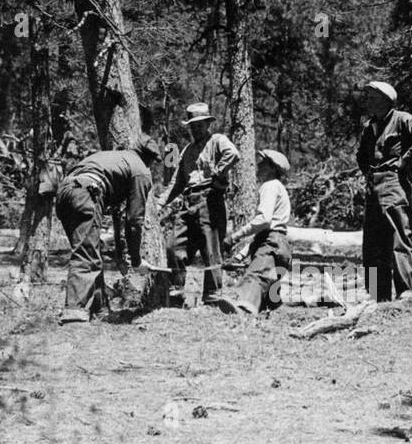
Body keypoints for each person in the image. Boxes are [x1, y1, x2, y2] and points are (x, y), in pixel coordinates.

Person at [54, 136, 163, 324]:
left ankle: (99, 308)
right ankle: (75, 314)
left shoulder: (115, 157)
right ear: (150, 159)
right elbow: (134, 221)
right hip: (85, 193)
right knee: (86, 253)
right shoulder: (140, 170)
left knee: (90, 250)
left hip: (65, 192)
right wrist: (136, 261)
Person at [356, 81, 412, 302]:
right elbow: (361, 156)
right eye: (368, 96)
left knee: (397, 236)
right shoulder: (369, 126)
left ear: (385, 100)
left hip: (393, 183)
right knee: (372, 241)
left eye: (373, 97)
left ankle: (404, 291)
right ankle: (375, 295)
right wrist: (370, 174)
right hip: (373, 184)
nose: (369, 101)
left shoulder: (401, 119)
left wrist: (404, 161)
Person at [164, 102, 240, 306]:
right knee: (174, 246)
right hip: (188, 201)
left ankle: (212, 297)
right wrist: (161, 203)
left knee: (211, 249)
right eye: (193, 125)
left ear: (207, 124)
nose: (196, 129)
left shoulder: (217, 140)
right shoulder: (187, 151)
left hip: (210, 199)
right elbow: (177, 182)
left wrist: (217, 172)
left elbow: (233, 154)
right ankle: (177, 292)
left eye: (200, 125)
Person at [216, 150, 293, 316]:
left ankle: (244, 310)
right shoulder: (279, 188)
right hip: (279, 245)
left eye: (263, 163)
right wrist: (239, 257)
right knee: (268, 285)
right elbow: (264, 235)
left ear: (272, 168)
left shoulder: (270, 186)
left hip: (272, 244)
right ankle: (271, 311)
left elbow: (264, 221)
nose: (258, 166)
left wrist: (234, 237)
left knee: (255, 276)